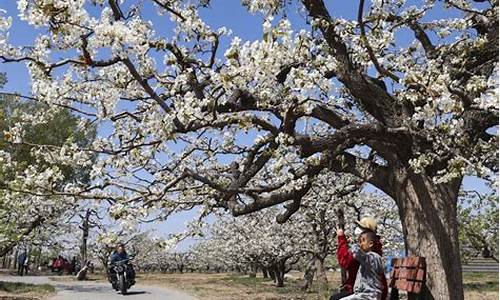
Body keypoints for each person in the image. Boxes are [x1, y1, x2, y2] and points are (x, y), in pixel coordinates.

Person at [331, 217, 388, 300]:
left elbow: (345, 261)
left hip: (366, 293)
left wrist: (341, 238)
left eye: (361, 227)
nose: (358, 229)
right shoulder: (374, 248)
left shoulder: (368, 253)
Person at [341, 230, 384, 300]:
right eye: (359, 242)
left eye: (363, 241)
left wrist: (353, 244)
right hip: (368, 294)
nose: (361, 244)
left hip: (368, 295)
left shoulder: (372, 257)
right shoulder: (373, 257)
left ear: (370, 244)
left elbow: (358, 254)